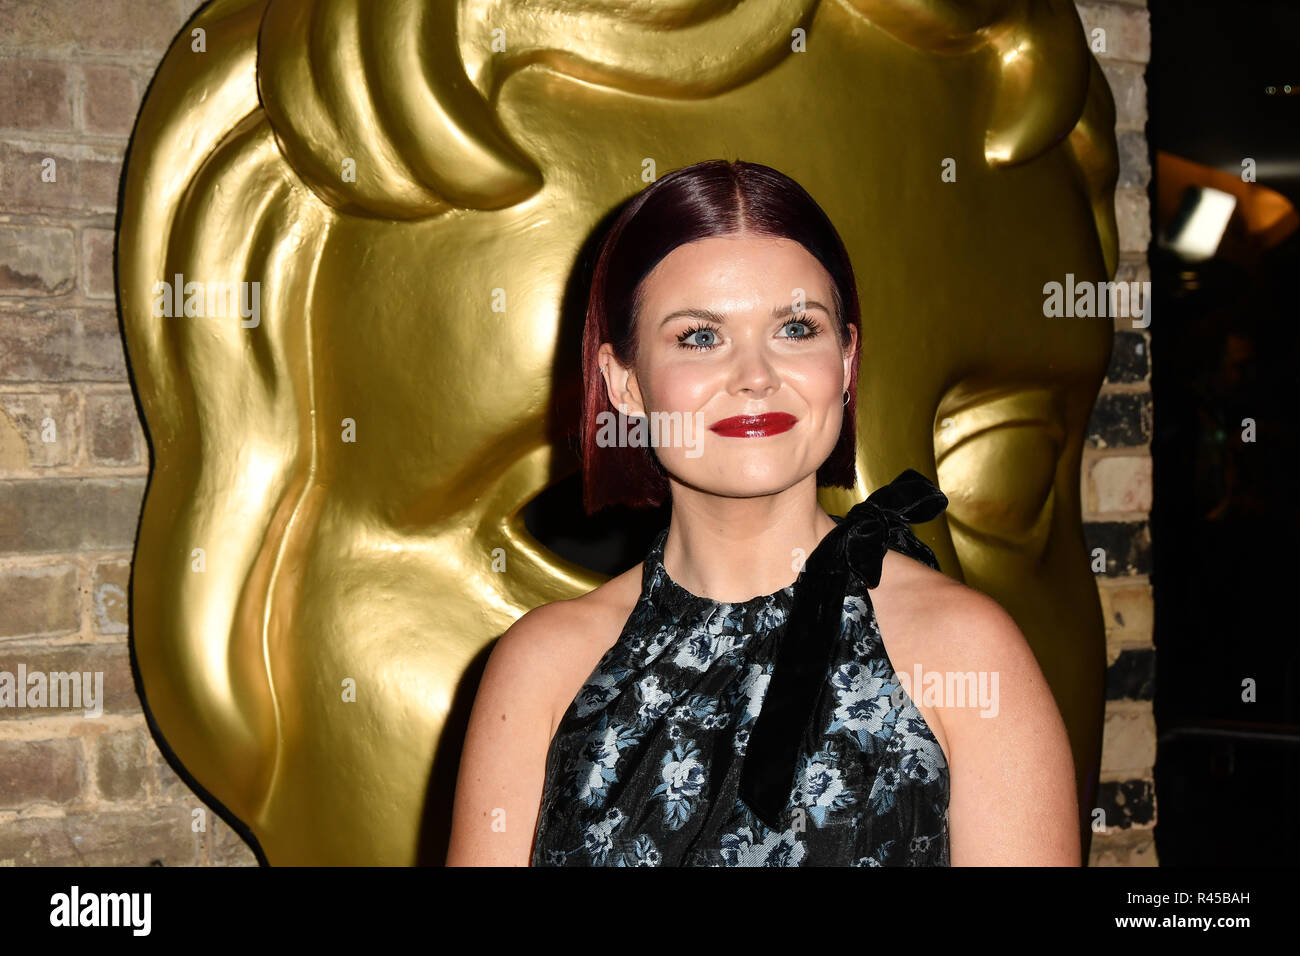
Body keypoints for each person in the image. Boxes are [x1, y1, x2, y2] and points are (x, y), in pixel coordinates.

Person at [446, 159, 1079, 866]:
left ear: (845, 360)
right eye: (700, 337)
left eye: (797, 328)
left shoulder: (964, 651)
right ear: (624, 384)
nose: (755, 375)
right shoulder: (541, 668)